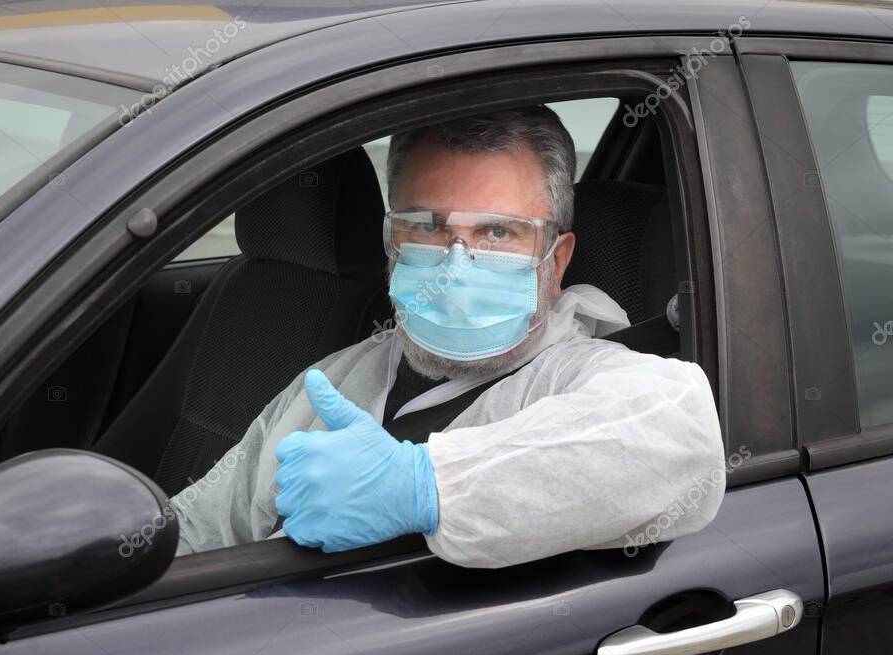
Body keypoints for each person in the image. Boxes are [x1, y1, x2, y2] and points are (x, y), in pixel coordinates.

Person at [169, 105, 725, 569]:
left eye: (498, 232)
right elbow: (200, 529)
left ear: (556, 263)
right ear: (392, 244)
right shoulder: (334, 379)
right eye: (429, 227)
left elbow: (678, 434)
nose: (457, 264)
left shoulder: (578, 375)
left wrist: (421, 487)